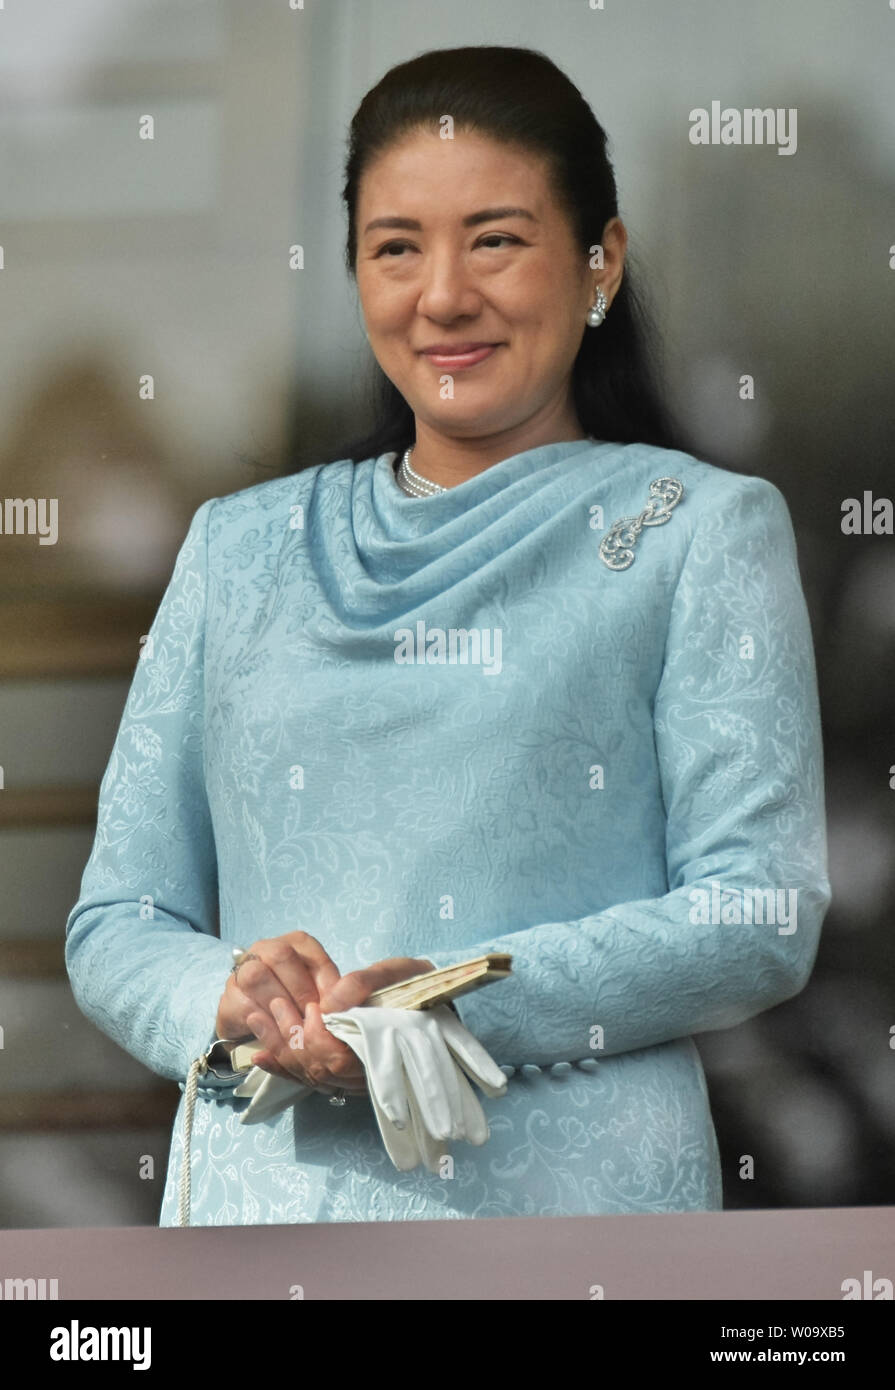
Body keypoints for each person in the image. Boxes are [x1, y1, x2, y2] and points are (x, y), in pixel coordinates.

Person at [65, 45, 831, 1226]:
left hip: (573, 1222)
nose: (442, 295)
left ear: (599, 263)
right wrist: (234, 995)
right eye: (395, 247)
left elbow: (758, 912)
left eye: (496, 238)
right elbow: (118, 920)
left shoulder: (697, 532)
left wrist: (457, 1002)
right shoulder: (239, 548)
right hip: (263, 1220)